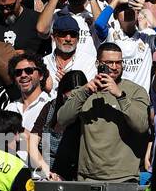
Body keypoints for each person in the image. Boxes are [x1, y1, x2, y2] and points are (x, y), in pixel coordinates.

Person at [53, 41, 149, 182]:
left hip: (123, 177)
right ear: (98, 64)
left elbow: (142, 126)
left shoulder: (135, 91)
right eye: (109, 62)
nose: (114, 67)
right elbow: (62, 119)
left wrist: (120, 95)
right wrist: (85, 92)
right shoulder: (85, 91)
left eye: (118, 62)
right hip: (88, 177)